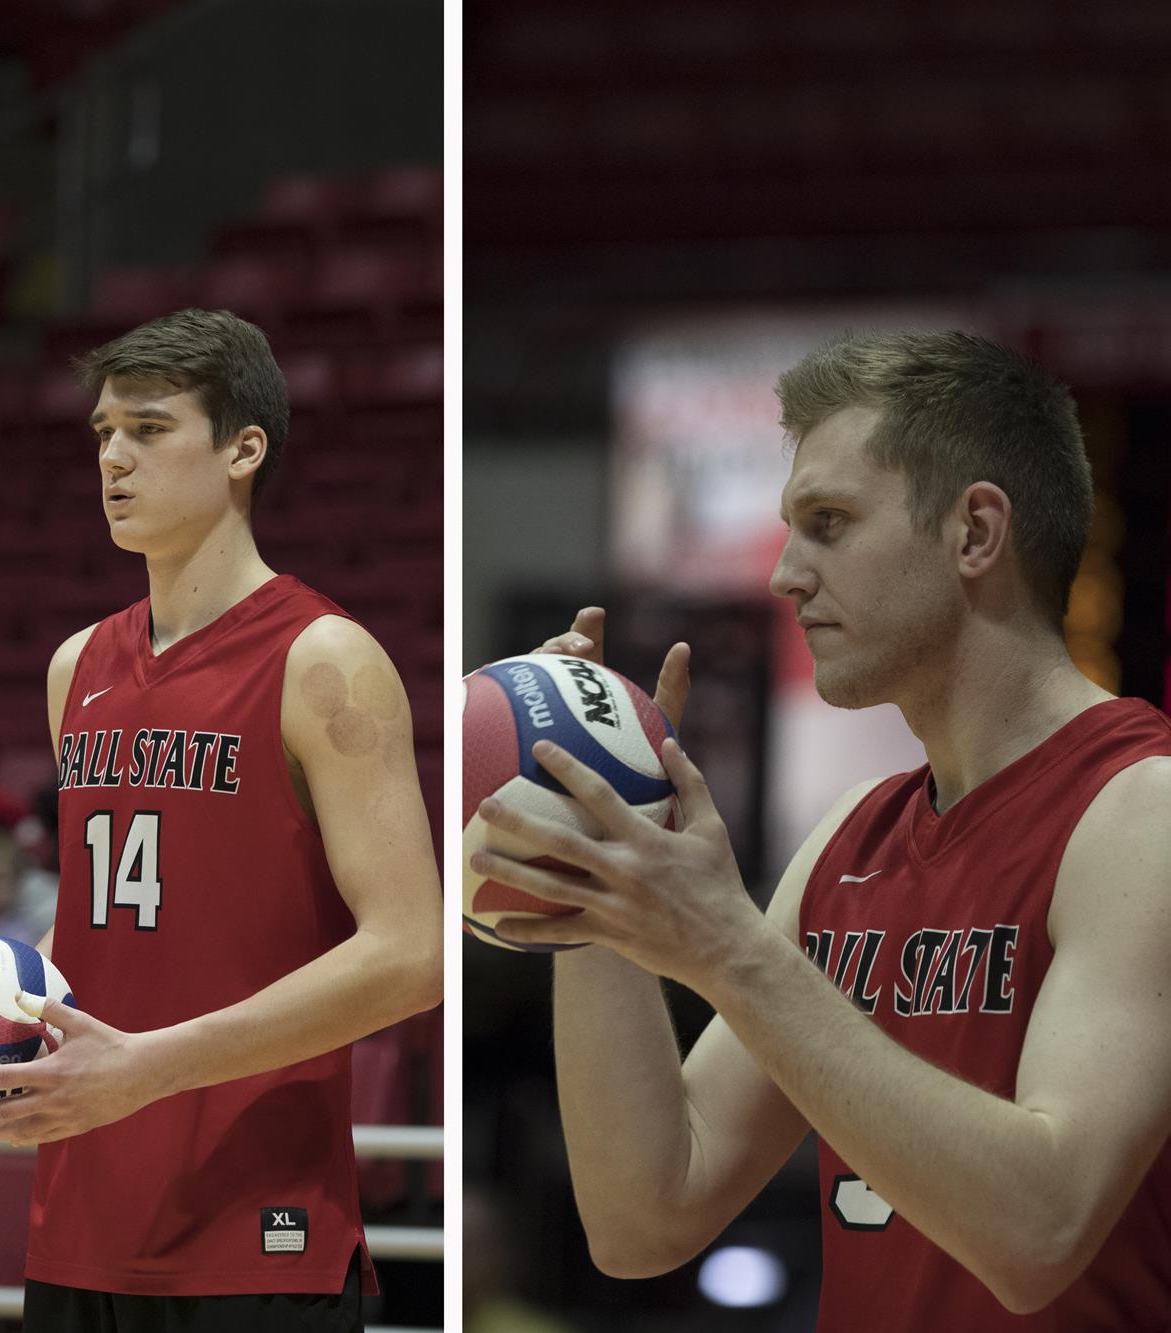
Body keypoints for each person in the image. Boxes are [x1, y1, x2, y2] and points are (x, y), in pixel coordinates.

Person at [470, 332, 1171, 1329]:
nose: (784, 575)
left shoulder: (1142, 813)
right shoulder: (853, 838)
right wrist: (596, 852)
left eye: (828, 524)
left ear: (975, 532)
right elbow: (642, 1217)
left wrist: (730, 949)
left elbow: (1041, 1232)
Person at [0, 309, 443, 1330]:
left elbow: (412, 953)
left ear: (242, 450)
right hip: (82, 1217)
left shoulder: (324, 658)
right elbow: (97, 927)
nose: (112, 457)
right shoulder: (75, 665)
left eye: (149, 429)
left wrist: (149, 1066)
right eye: (103, 432)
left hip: (258, 1231)